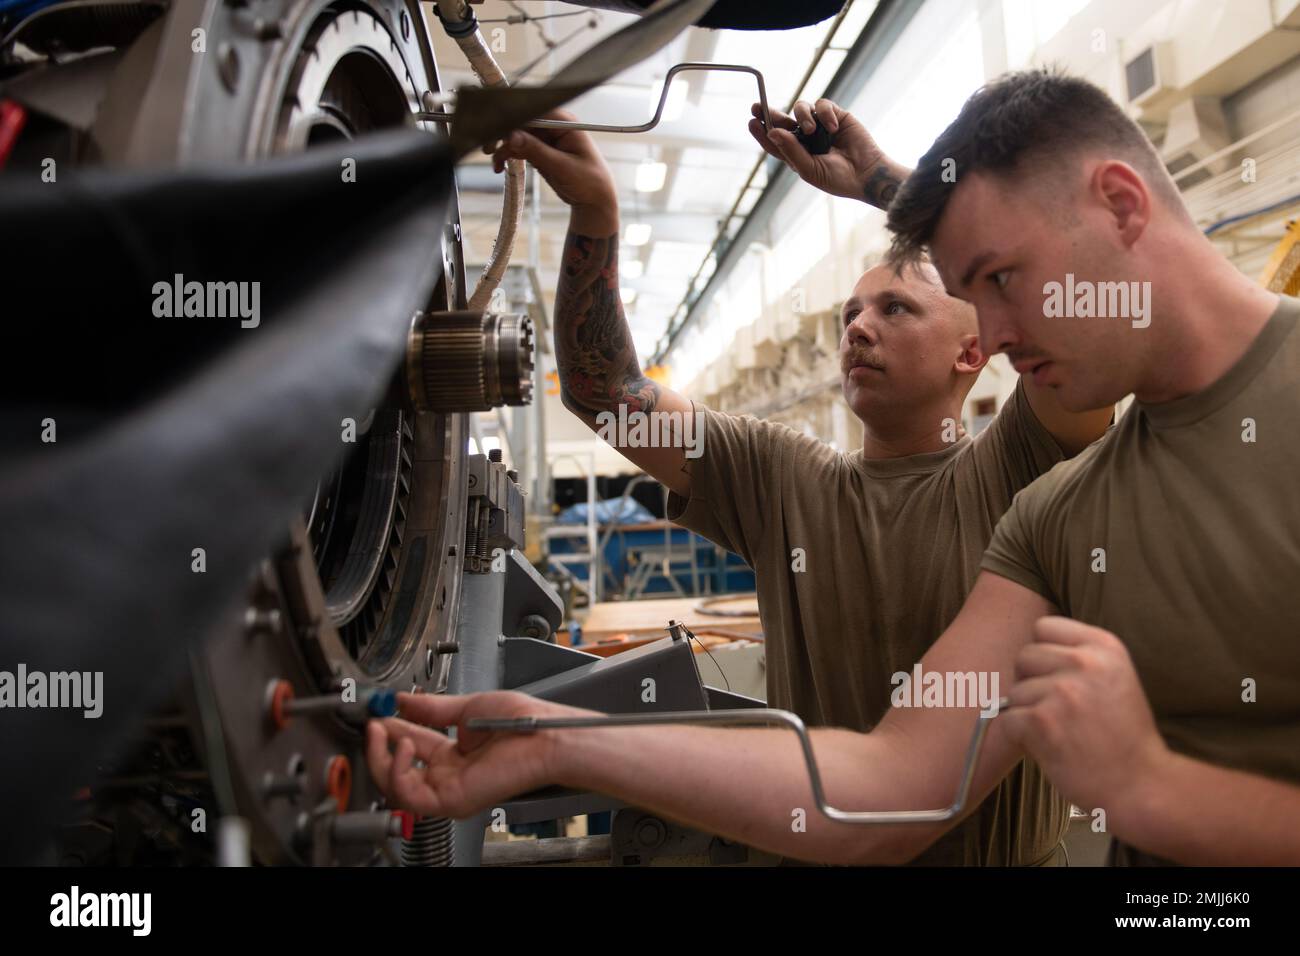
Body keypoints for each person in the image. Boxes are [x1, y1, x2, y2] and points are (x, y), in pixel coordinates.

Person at [368, 69, 1300, 865]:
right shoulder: (1043, 518)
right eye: (852, 313)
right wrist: (554, 743)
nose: (1001, 332)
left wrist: (1157, 793)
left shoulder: (1022, 469)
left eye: (989, 287)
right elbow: (886, 785)